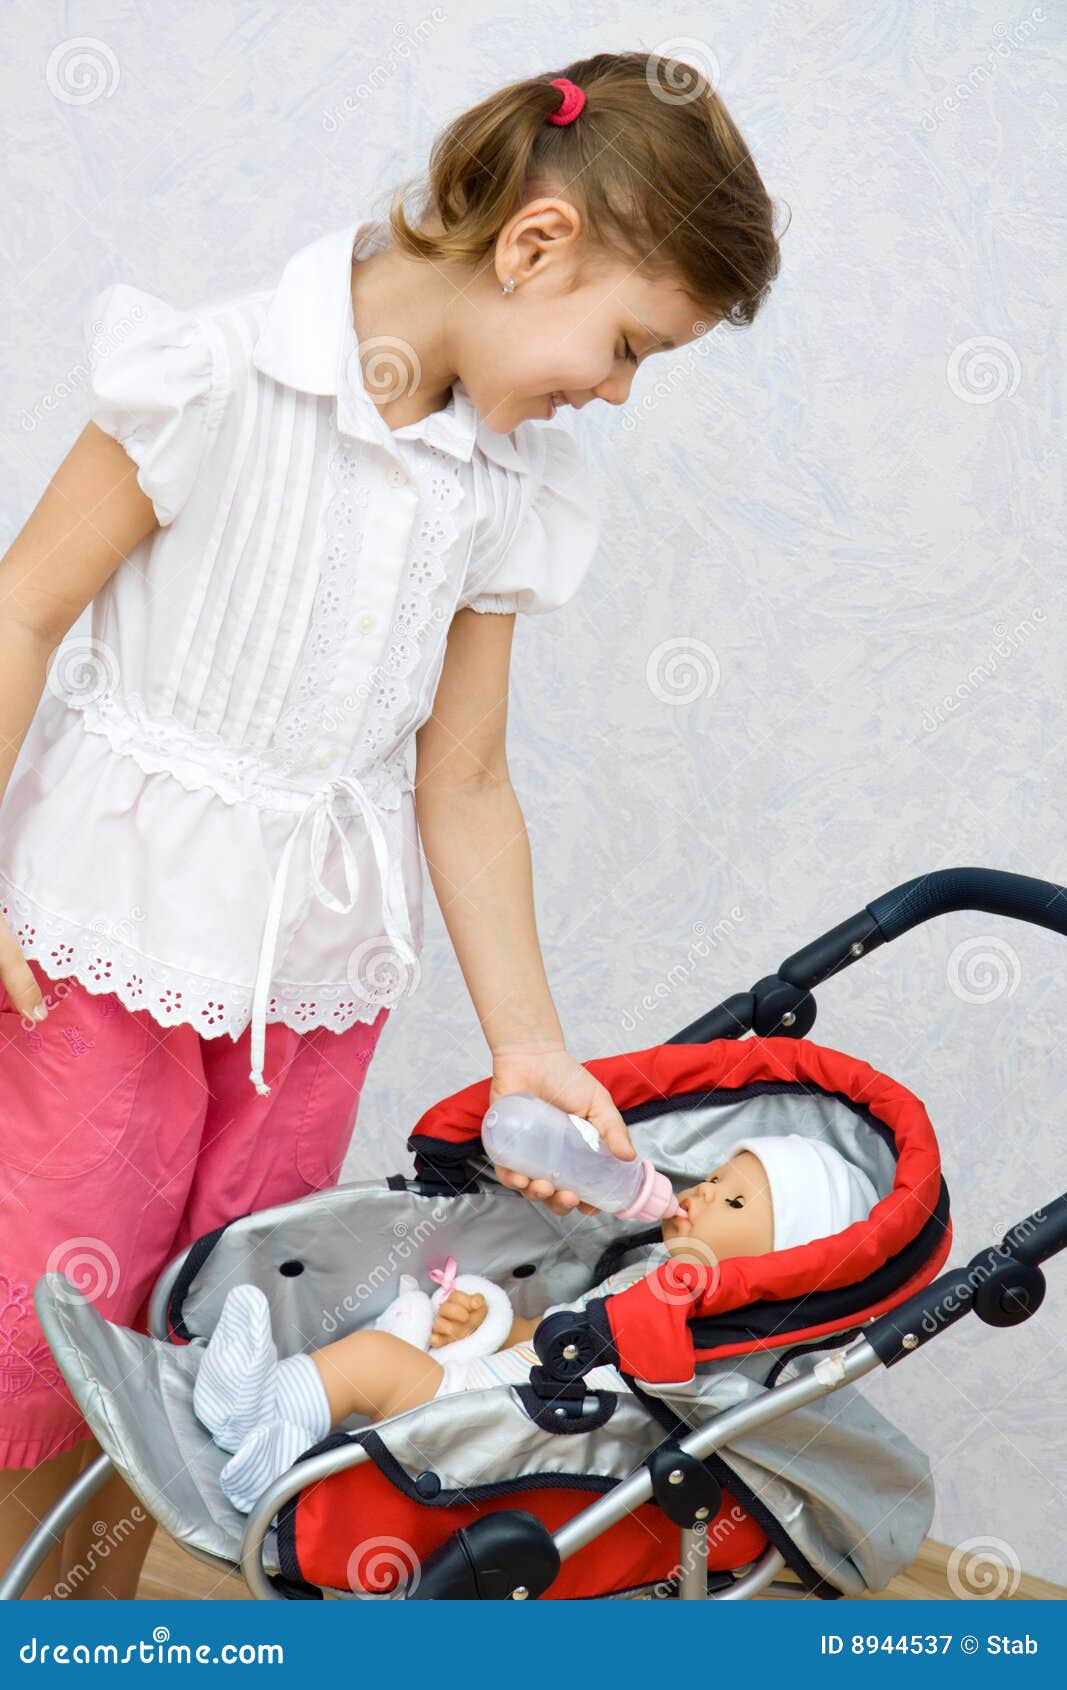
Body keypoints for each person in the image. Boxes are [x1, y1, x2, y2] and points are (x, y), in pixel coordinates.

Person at [0, 52, 780, 1595]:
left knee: (208, 1311)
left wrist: (529, 1044)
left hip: (314, 976)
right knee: (45, 1325)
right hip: (109, 933)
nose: (614, 391)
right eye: (626, 345)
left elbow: (464, 779)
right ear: (534, 245)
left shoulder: (505, 485)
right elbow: (24, 605)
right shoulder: (214, 376)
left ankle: (87, 1619)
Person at [194, 1136, 878, 1513]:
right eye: (713, 1175)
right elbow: (555, 1333)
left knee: (373, 1360)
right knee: (386, 1338)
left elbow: (621, 1400)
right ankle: (265, 1425)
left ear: (784, 1262)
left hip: (498, 1435)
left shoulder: (712, 1338)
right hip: (490, 1383)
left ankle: (265, 1435)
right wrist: (488, 1317)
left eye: (731, 1199)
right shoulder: (645, 1272)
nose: (699, 1192)